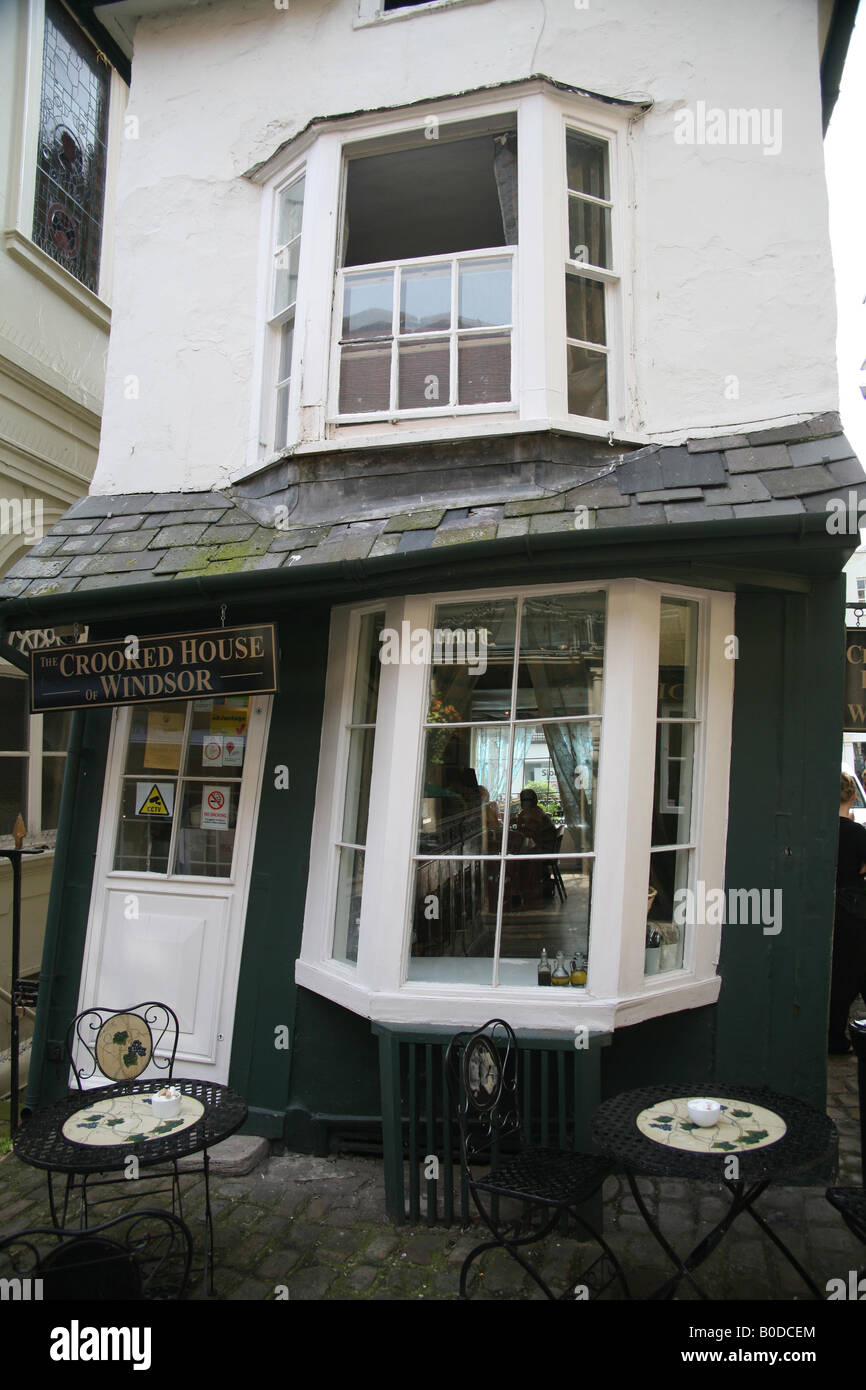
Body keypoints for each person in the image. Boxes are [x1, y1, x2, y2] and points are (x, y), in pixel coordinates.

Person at [829, 773, 866, 1054]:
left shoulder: (824, 832)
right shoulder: (857, 833)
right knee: (851, 973)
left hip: (829, 906)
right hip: (854, 908)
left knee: (839, 972)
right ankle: (838, 1038)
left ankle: (834, 1035)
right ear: (852, 797)